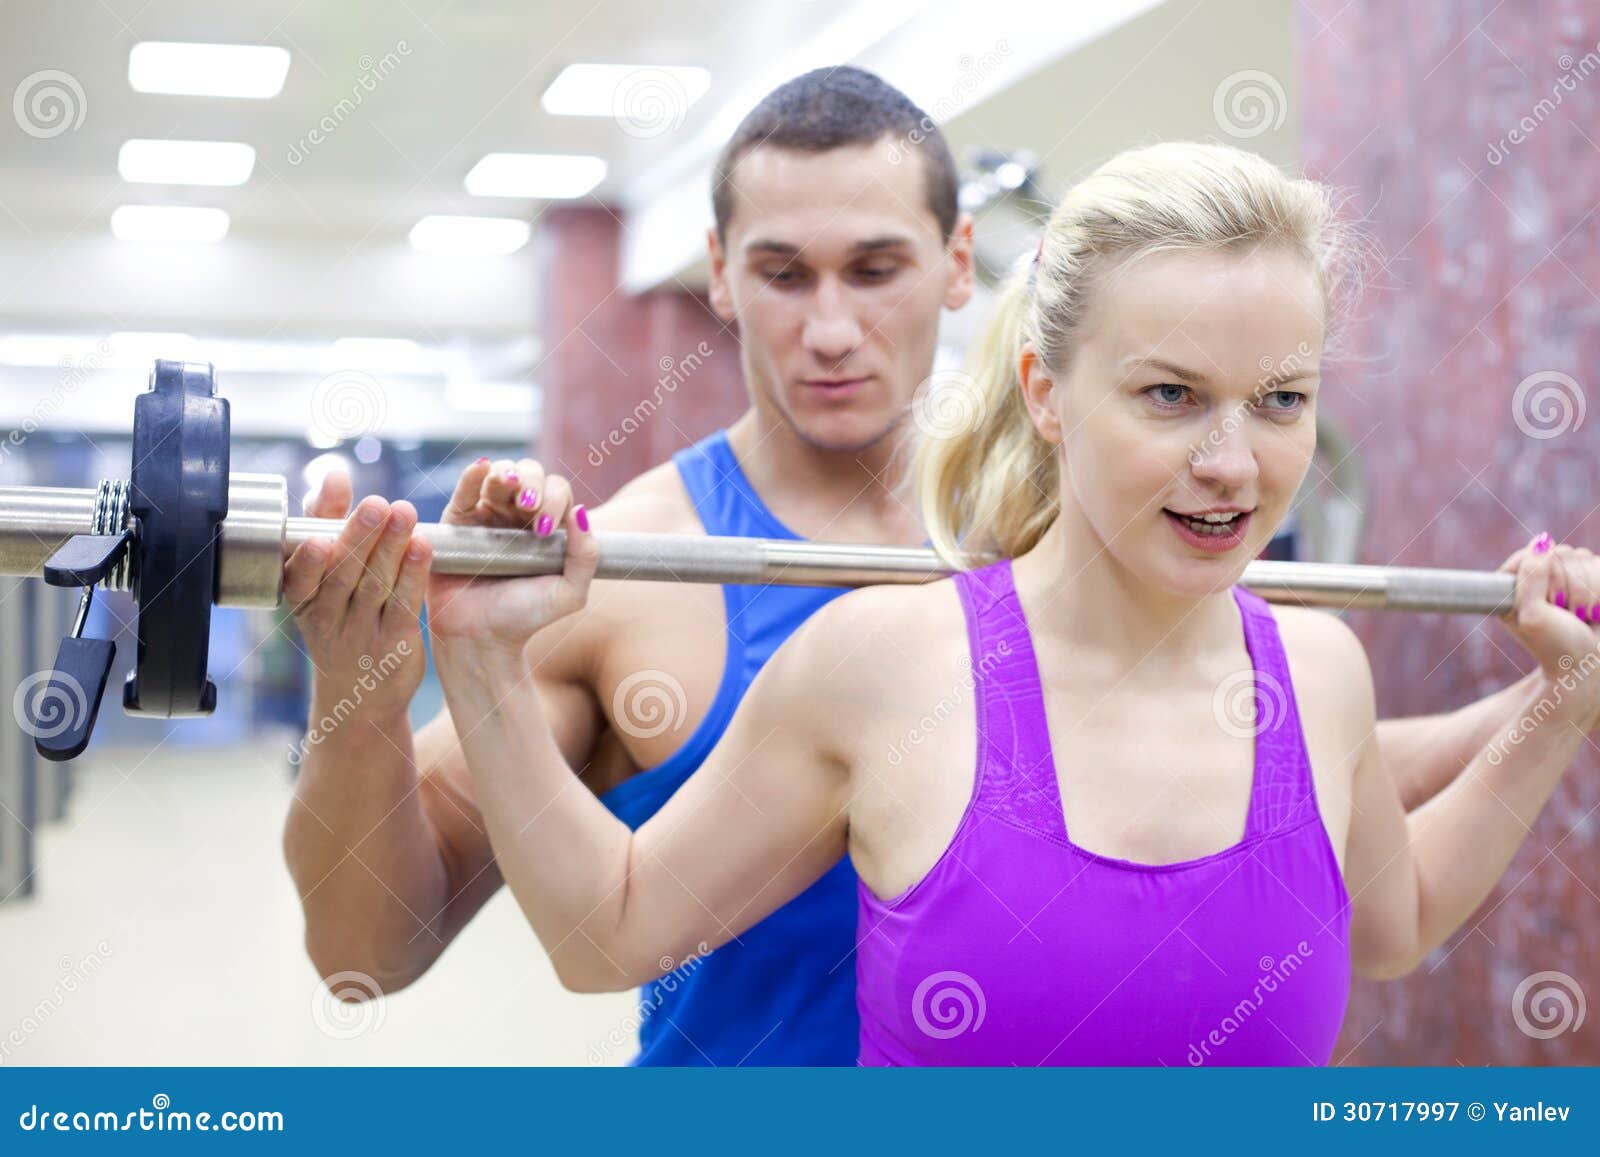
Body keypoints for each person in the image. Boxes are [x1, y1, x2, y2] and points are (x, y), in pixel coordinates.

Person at [280, 68, 1584, 1066]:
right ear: (720, 278)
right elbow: (382, 944)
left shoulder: (1197, 602)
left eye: (877, 268)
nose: (833, 326)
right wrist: (388, 683)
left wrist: (1549, 701)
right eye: (786, 273)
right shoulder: (680, 585)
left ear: (959, 268)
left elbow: (1306, 805)